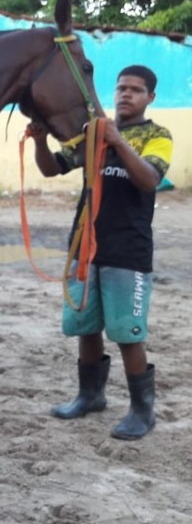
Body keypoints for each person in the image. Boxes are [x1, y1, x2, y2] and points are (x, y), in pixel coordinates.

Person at [28, 65, 173, 440]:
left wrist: (119, 141)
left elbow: (149, 180)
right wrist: (40, 141)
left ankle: (143, 412)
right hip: (85, 246)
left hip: (129, 248)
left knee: (127, 332)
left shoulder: (158, 136)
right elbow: (52, 169)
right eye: (121, 87)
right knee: (85, 324)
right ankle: (90, 396)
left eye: (136, 90)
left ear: (150, 98)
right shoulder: (90, 135)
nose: (126, 95)